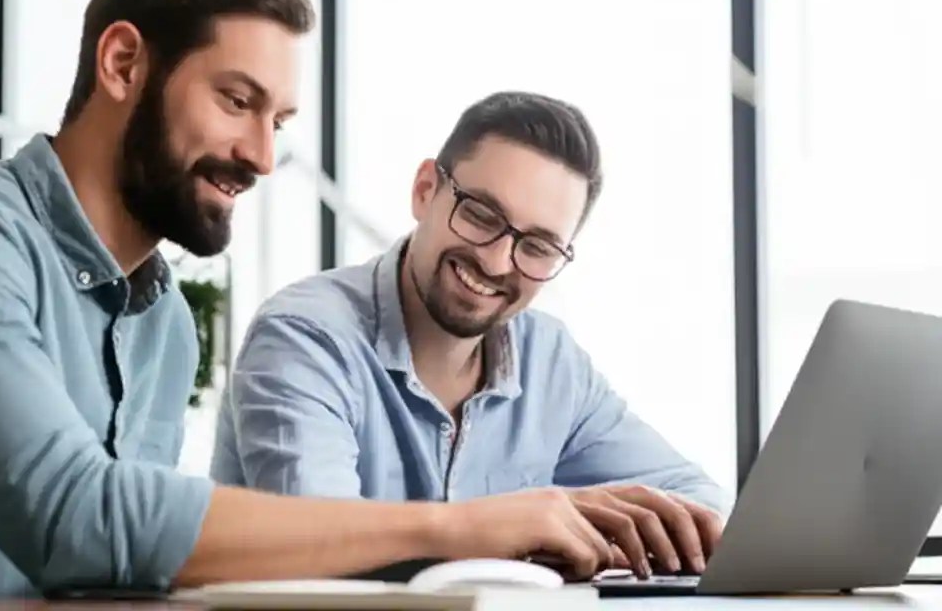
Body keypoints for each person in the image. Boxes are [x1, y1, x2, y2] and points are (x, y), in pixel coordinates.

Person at [0, 0, 643, 599]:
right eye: (237, 101)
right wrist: (460, 528)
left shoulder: (161, 322)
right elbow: (78, 524)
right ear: (124, 62)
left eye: (278, 122)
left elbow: (120, 576)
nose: (260, 154)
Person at [211, 91, 730, 580]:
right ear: (425, 191)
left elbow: (701, 504)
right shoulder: (306, 337)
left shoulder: (549, 362)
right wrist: (506, 528)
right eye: (481, 216)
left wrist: (576, 532)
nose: (497, 260)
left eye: (539, 247)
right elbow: (312, 541)